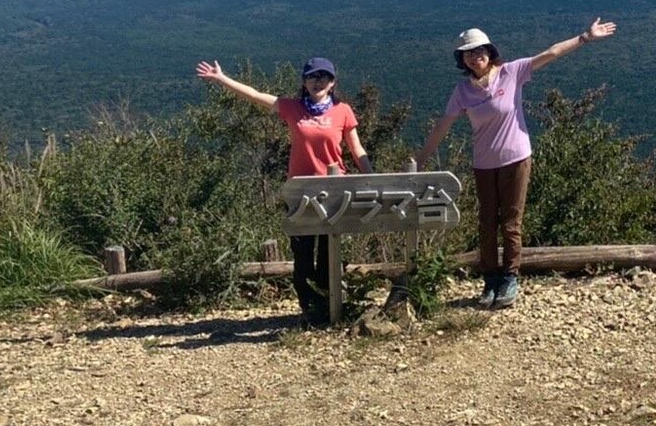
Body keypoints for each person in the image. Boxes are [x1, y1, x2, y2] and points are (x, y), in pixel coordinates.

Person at [414, 18, 617, 309]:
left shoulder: (511, 72)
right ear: (462, 59)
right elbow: (441, 128)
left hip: (516, 159)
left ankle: (509, 277)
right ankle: (490, 280)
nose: (475, 56)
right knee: (486, 224)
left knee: (510, 223)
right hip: (483, 164)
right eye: (468, 52)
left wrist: (585, 37)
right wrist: (419, 161)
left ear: (489, 50)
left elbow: (551, 53)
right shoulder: (463, 92)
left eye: (479, 49)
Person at [195, 55, 372, 324]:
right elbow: (255, 96)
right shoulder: (292, 108)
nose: (317, 81)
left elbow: (356, 149)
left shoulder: (343, 111)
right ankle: (309, 307)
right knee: (302, 253)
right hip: (299, 192)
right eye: (312, 77)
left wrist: (371, 179)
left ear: (333, 82)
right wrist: (222, 79)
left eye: (323, 77)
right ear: (304, 81)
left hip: (334, 191)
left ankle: (329, 306)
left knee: (328, 253)